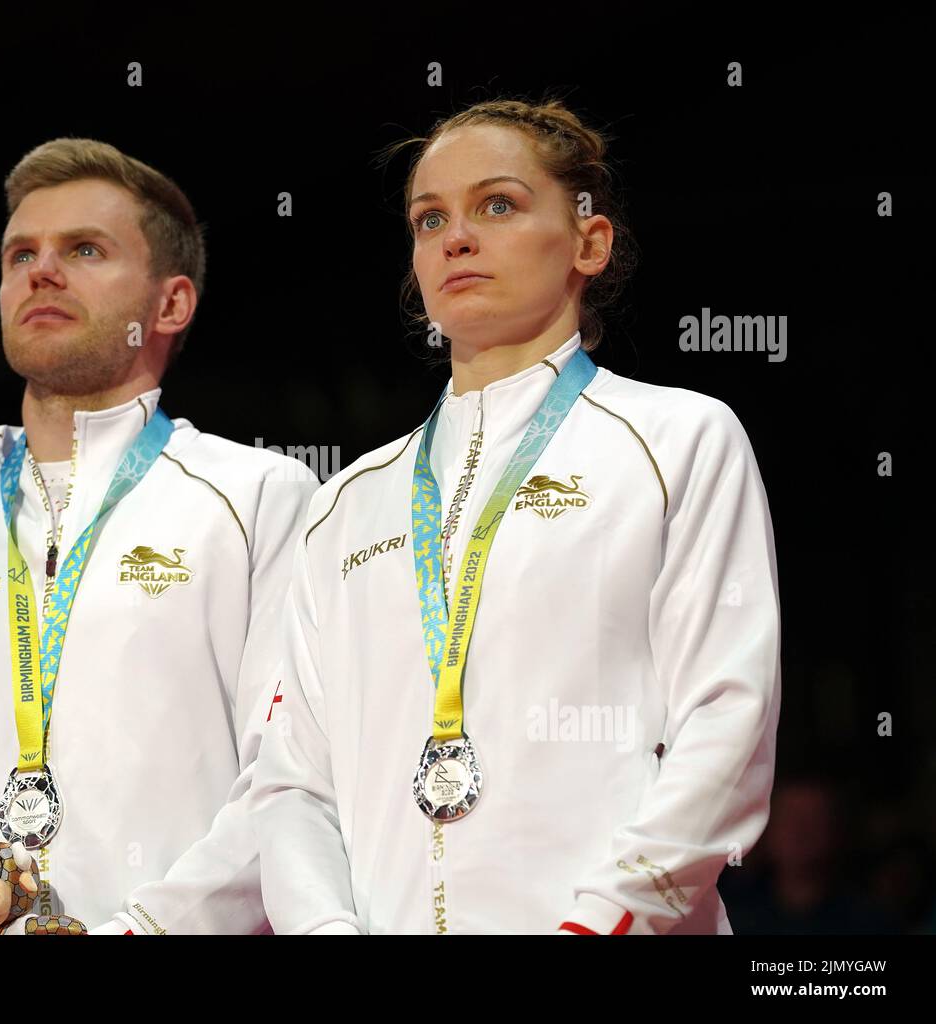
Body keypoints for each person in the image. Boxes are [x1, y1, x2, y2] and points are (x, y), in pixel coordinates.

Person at [249, 97, 782, 934]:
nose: (457, 237)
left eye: (497, 204)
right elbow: (291, 783)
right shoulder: (342, 505)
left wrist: (608, 920)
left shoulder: (678, 440)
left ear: (588, 243)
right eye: (431, 219)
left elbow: (727, 718)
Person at [0, 138, 318, 934]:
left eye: (85, 250)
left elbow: (287, 783)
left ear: (170, 305)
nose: (41, 271)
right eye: (20, 254)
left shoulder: (259, 500)